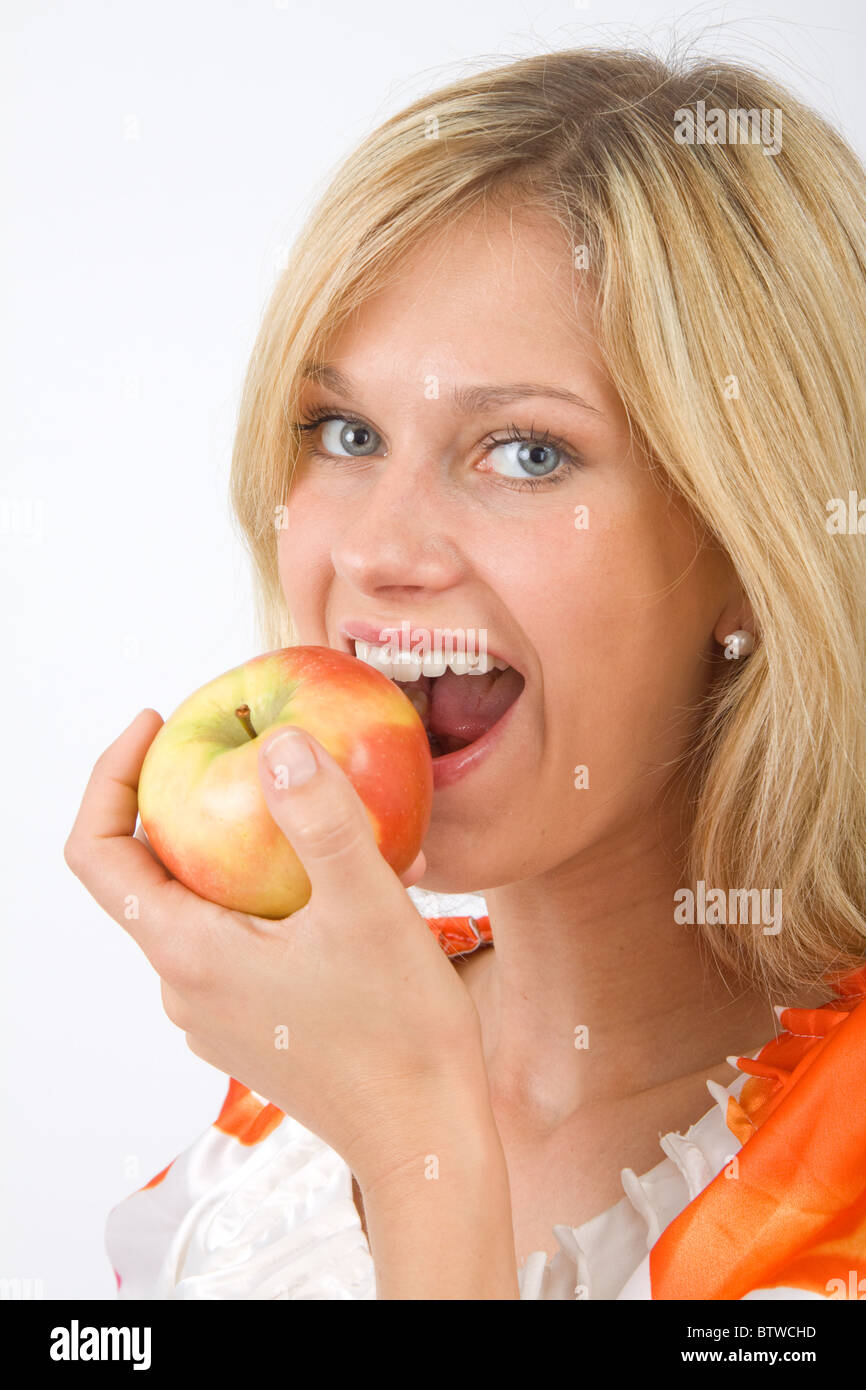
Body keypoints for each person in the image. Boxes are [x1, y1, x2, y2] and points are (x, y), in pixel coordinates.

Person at [65, 46, 866, 1300]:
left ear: (749, 543)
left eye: (526, 454)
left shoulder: (833, 1182)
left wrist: (418, 1148)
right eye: (345, 433)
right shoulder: (290, 1098)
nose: (376, 551)